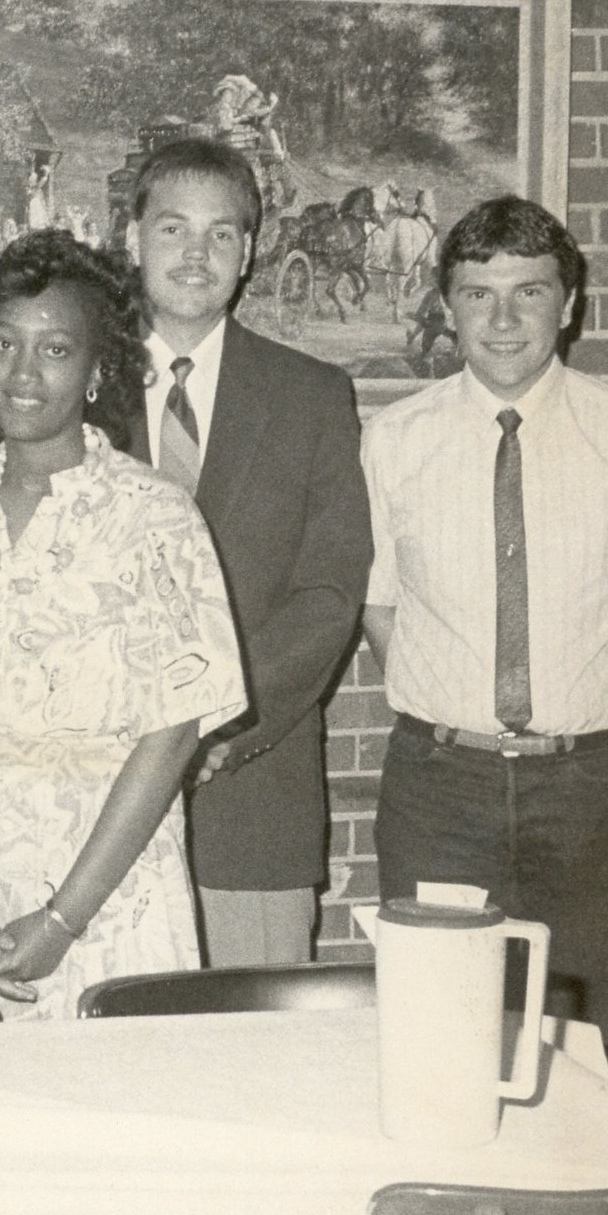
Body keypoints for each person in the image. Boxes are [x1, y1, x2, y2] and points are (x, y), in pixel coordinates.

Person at [363, 197, 608, 1095]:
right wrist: (463, 712)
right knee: (442, 1042)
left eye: (528, 292)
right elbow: (380, 610)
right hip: (441, 792)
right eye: (478, 294)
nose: (503, 319)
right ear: (447, 305)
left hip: (593, 787)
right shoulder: (391, 443)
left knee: (594, 1039)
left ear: (571, 303)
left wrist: (581, 709)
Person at [0, 231, 245, 1020]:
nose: (23, 373)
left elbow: (172, 734)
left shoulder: (154, 517)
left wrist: (62, 919)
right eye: (4, 345)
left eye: (55, 349)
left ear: (97, 370)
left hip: (107, 895)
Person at [122, 139, 371, 968]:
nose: (196, 255)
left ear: (250, 252)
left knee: (254, 1060)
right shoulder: (71, 386)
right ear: (131, 239)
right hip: (88, 795)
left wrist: (219, 721)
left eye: (221, 234)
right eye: (172, 229)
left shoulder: (310, 396)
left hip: (250, 791)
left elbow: (330, 591)